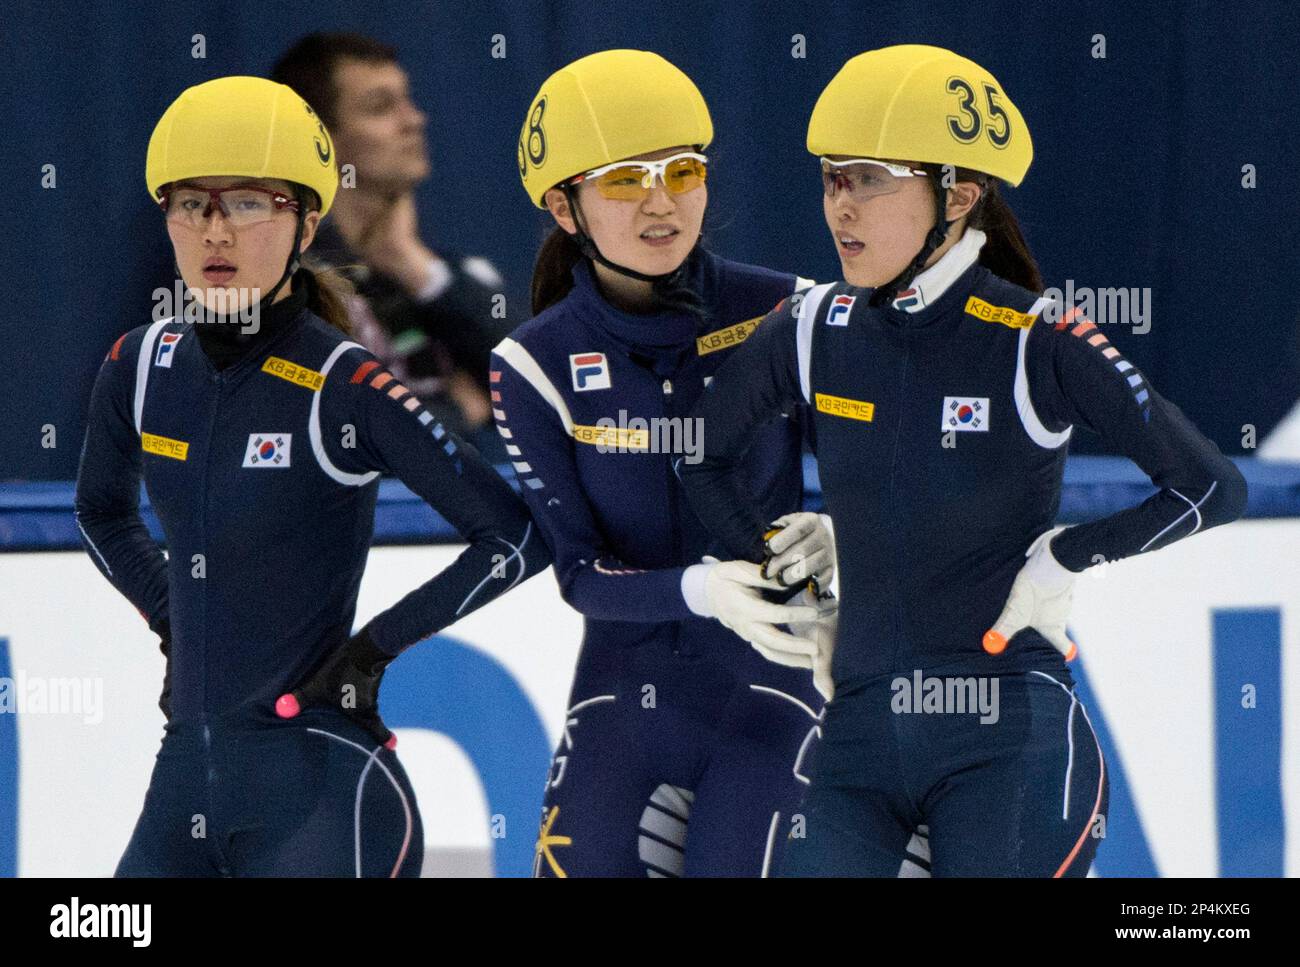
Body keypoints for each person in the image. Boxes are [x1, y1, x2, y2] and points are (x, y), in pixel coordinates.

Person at [681, 45, 1247, 876]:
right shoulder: (811, 326)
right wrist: (792, 577)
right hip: (861, 732)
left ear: (959, 195)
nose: (841, 205)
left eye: (869, 178)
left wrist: (1065, 555)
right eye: (831, 178)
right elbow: (699, 457)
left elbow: (1212, 486)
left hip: (1008, 733)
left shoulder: (1035, 337)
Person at [74, 76, 549, 877]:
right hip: (182, 790)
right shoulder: (140, 364)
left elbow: (515, 535)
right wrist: (173, 614)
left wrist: (370, 652)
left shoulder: (345, 383)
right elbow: (100, 512)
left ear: (305, 221)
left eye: (247, 202)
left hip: (326, 798)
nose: (215, 229)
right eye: (191, 203)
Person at [491, 49, 839, 877]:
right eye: (625, 180)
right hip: (620, 695)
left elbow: (888, 478)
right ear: (564, 207)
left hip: (779, 686)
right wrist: (702, 589)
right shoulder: (532, 363)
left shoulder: (789, 309)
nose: (661, 201)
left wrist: (841, 534)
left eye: (683, 171)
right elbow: (578, 573)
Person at [271, 32, 515, 461]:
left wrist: (409, 263)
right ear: (319, 138)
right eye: (381, 107)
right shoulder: (284, 286)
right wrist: (460, 409)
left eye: (407, 100)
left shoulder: (452, 275)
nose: (413, 120)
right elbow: (327, 434)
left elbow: (544, 390)